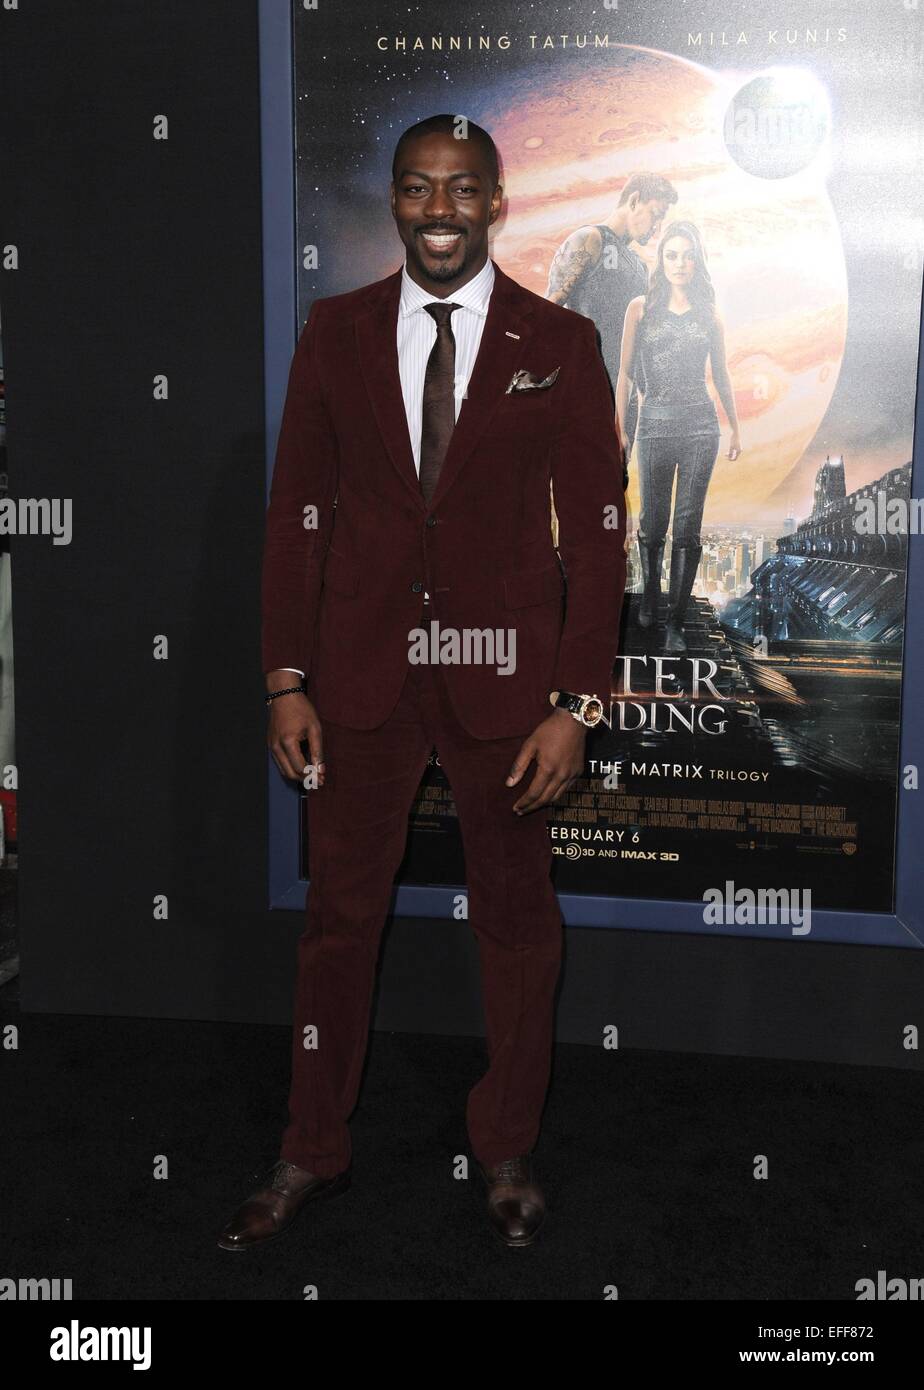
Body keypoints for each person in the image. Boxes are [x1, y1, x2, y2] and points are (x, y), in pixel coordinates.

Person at [218, 114, 626, 1252]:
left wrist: (575, 700)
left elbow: (598, 534)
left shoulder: (564, 339)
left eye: (461, 190)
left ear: (498, 203)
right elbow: (296, 515)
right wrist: (283, 676)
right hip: (360, 675)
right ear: (396, 202)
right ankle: (312, 1145)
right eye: (416, 188)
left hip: (507, 681)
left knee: (516, 922)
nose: (438, 209)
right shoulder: (336, 331)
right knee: (339, 921)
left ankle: (504, 1142)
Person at [616, 220, 741, 652]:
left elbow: (721, 374)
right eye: (671, 254)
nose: (679, 263)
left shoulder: (710, 313)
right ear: (661, 259)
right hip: (653, 426)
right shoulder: (640, 308)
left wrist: (735, 426)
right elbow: (626, 377)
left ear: (697, 260)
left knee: (687, 529)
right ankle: (650, 598)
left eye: (687, 255)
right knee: (652, 526)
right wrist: (621, 430)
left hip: (700, 429)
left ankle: (676, 622)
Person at [545, 173, 677, 451]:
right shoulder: (590, 239)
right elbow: (547, 315)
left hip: (624, 399)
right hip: (584, 391)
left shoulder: (640, 267)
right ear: (634, 200)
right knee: (583, 484)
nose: (657, 226)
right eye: (655, 214)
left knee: (616, 484)